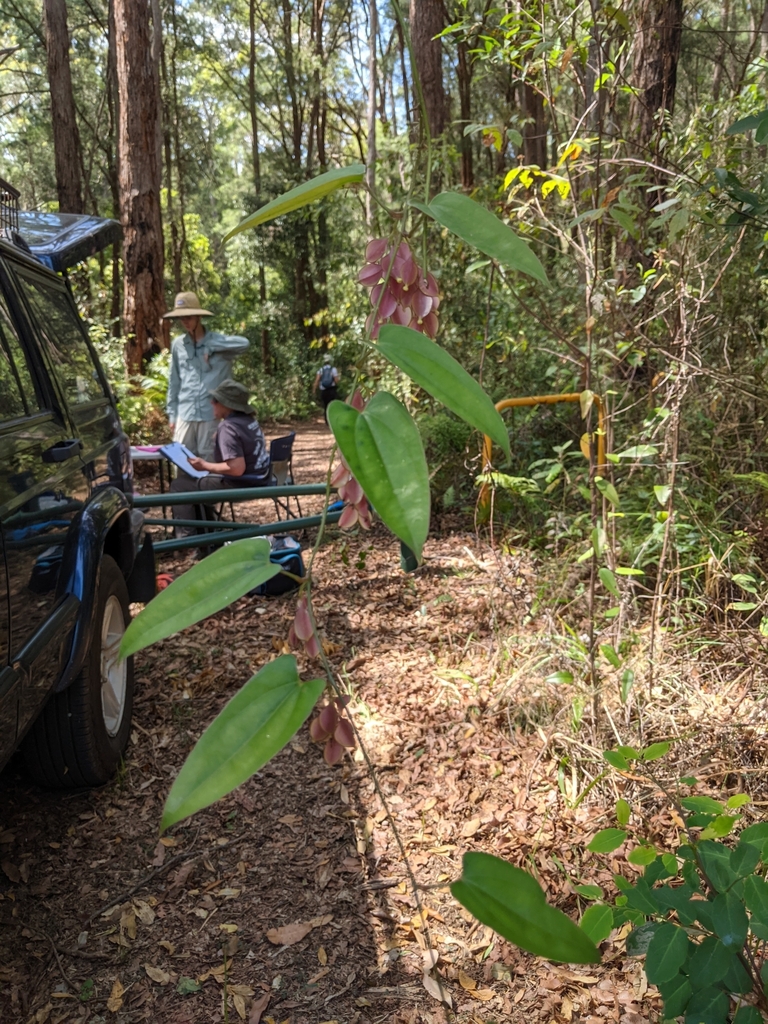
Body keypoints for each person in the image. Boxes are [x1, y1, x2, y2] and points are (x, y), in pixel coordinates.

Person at [169, 379, 271, 544]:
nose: (212, 403)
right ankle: (206, 533)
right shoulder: (249, 421)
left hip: (241, 484)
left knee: (180, 486)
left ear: (227, 405)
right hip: (261, 477)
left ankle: (186, 540)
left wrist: (204, 465)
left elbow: (236, 469)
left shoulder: (228, 427)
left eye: (216, 400)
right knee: (196, 483)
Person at [164, 291, 250, 461]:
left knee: (210, 460)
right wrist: (172, 414)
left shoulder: (218, 342)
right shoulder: (178, 345)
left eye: (189, 317)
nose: (185, 321)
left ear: (198, 317)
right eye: (181, 318)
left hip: (210, 413)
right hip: (185, 413)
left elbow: (244, 344)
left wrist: (211, 347)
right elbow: (174, 382)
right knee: (180, 461)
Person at [312, 353, 340, 422]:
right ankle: (332, 420)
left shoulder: (321, 370)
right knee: (332, 405)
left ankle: (326, 420)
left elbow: (317, 380)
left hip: (324, 391)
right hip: (332, 390)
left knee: (325, 405)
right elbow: (336, 380)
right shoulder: (333, 369)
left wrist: (314, 389)